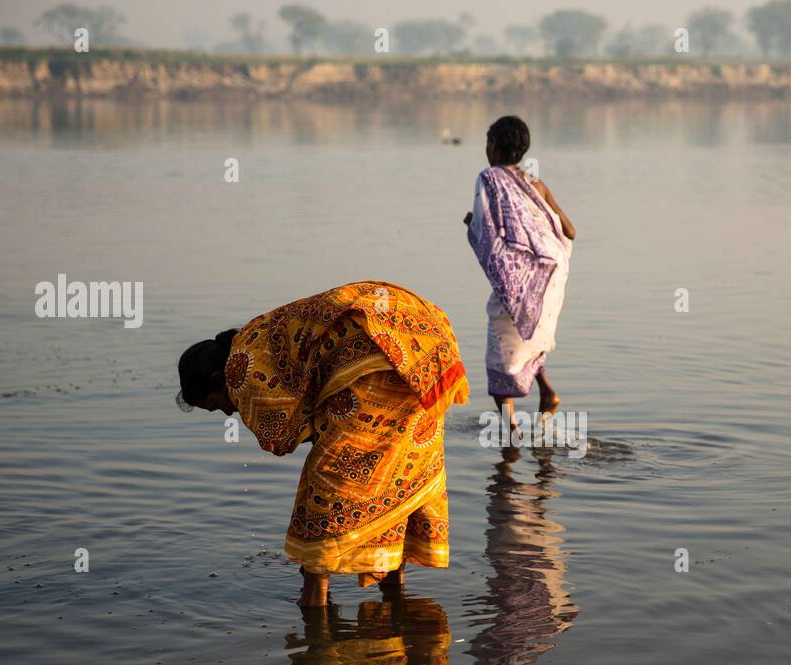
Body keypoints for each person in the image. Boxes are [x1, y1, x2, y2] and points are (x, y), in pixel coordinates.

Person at [176, 281, 469, 607]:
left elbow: (281, 438)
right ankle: (394, 585)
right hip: (423, 347)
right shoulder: (254, 335)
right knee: (403, 467)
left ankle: (314, 596)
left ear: (219, 379)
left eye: (217, 405)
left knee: (326, 484)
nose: (229, 413)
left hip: (382, 353)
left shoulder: (239, 367)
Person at [465, 115, 575, 429]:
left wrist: (472, 226)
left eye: (488, 142)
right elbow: (570, 230)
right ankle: (547, 392)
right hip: (551, 272)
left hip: (525, 273)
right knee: (530, 333)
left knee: (500, 346)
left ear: (495, 146)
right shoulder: (535, 183)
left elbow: (486, 228)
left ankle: (510, 430)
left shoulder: (489, 179)